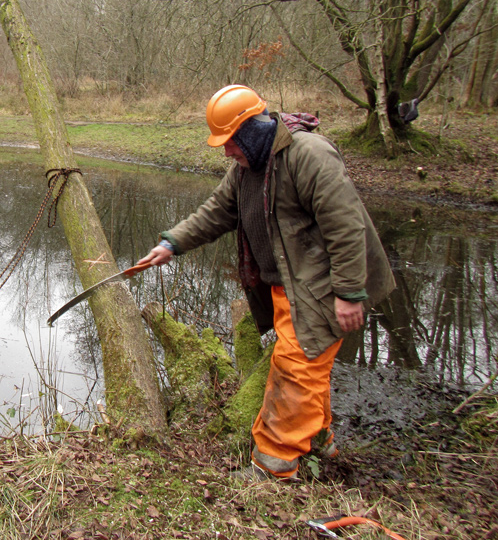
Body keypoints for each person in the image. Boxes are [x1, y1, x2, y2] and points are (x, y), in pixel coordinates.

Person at [137, 84, 396, 481]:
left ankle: (273, 468)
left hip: (320, 289)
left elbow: (346, 227)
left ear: (252, 129)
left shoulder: (310, 156)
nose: (226, 151)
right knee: (310, 366)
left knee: (294, 370)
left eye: (229, 142)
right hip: (285, 288)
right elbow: (216, 212)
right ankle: (319, 441)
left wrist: (348, 293)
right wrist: (172, 243)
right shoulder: (246, 169)